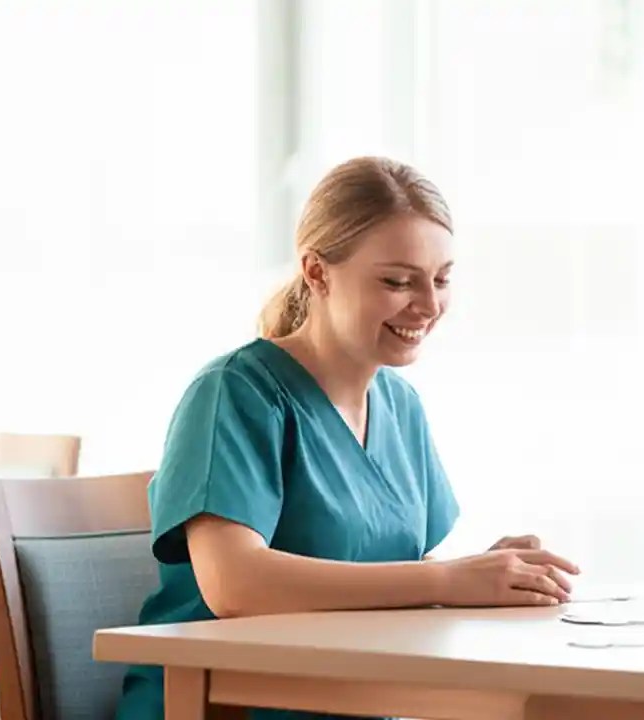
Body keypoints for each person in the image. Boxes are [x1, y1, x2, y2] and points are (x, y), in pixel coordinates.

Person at [117, 157, 579, 720]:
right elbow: (232, 584)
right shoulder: (236, 393)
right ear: (316, 272)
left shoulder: (400, 407)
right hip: (224, 705)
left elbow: (393, 571)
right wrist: (448, 580)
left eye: (441, 278)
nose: (429, 306)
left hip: (355, 702)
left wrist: (484, 575)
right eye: (396, 281)